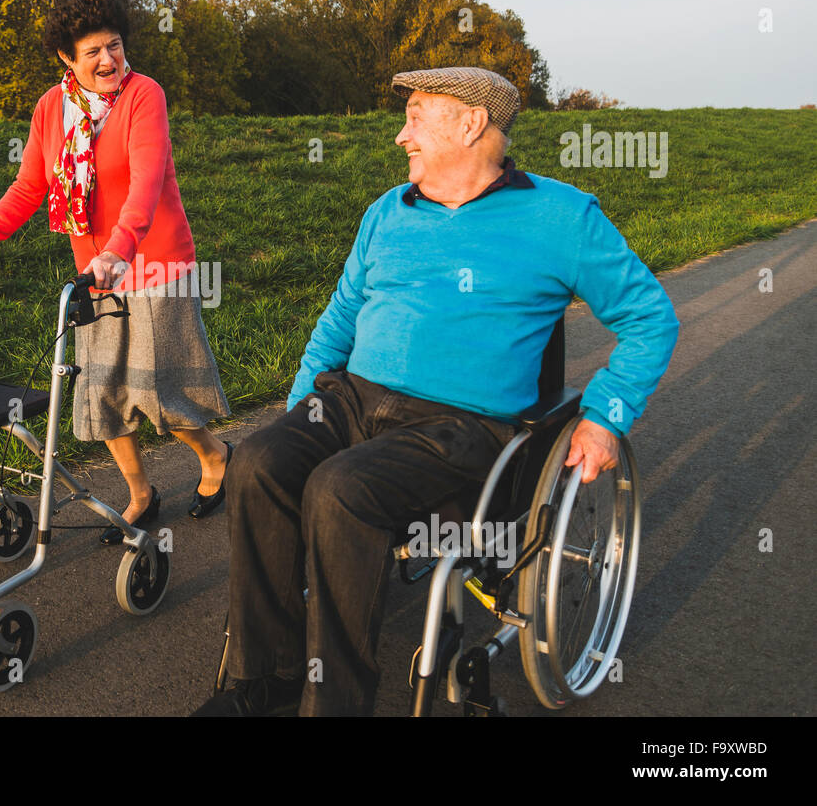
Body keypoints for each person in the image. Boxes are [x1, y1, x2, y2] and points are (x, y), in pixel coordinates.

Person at [193, 66, 679, 716]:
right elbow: (340, 316)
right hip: (351, 397)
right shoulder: (388, 212)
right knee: (258, 462)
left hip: (459, 426)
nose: (401, 136)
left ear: (472, 123)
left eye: (418, 116)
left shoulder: (561, 217)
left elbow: (651, 319)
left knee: (340, 490)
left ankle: (334, 704)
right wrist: (299, 411)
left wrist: (605, 415)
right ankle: (261, 681)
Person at [0, 0, 233, 544]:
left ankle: (216, 455)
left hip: (150, 261)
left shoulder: (144, 96)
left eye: (115, 46)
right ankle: (141, 493)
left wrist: (118, 249)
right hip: (92, 272)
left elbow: (147, 183)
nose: (108, 61)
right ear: (66, 60)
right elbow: (30, 186)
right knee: (103, 394)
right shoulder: (52, 109)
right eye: (93, 51)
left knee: (159, 393)